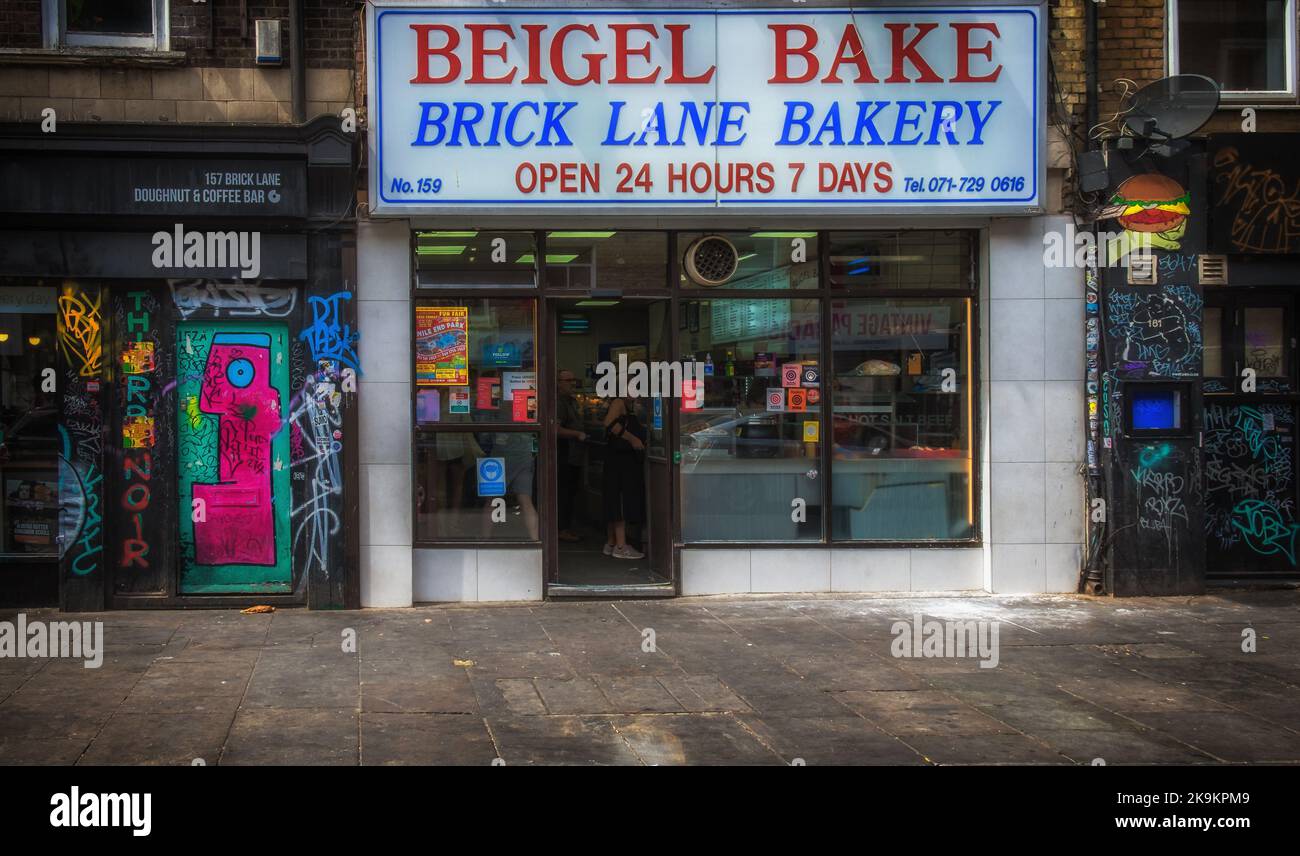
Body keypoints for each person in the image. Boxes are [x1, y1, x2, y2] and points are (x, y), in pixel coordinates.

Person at [601, 395, 647, 560]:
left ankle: (612, 543)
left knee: (614, 498)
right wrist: (633, 439)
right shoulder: (619, 402)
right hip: (620, 459)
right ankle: (621, 546)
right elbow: (608, 423)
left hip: (622, 459)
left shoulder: (631, 405)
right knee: (620, 499)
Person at [555, 369, 586, 542]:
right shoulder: (559, 403)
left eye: (573, 380)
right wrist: (576, 434)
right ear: (559, 383)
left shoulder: (572, 401)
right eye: (567, 380)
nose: (572, 383)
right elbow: (556, 429)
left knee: (570, 492)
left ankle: (566, 527)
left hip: (575, 455)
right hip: (565, 453)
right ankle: (562, 528)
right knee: (564, 492)